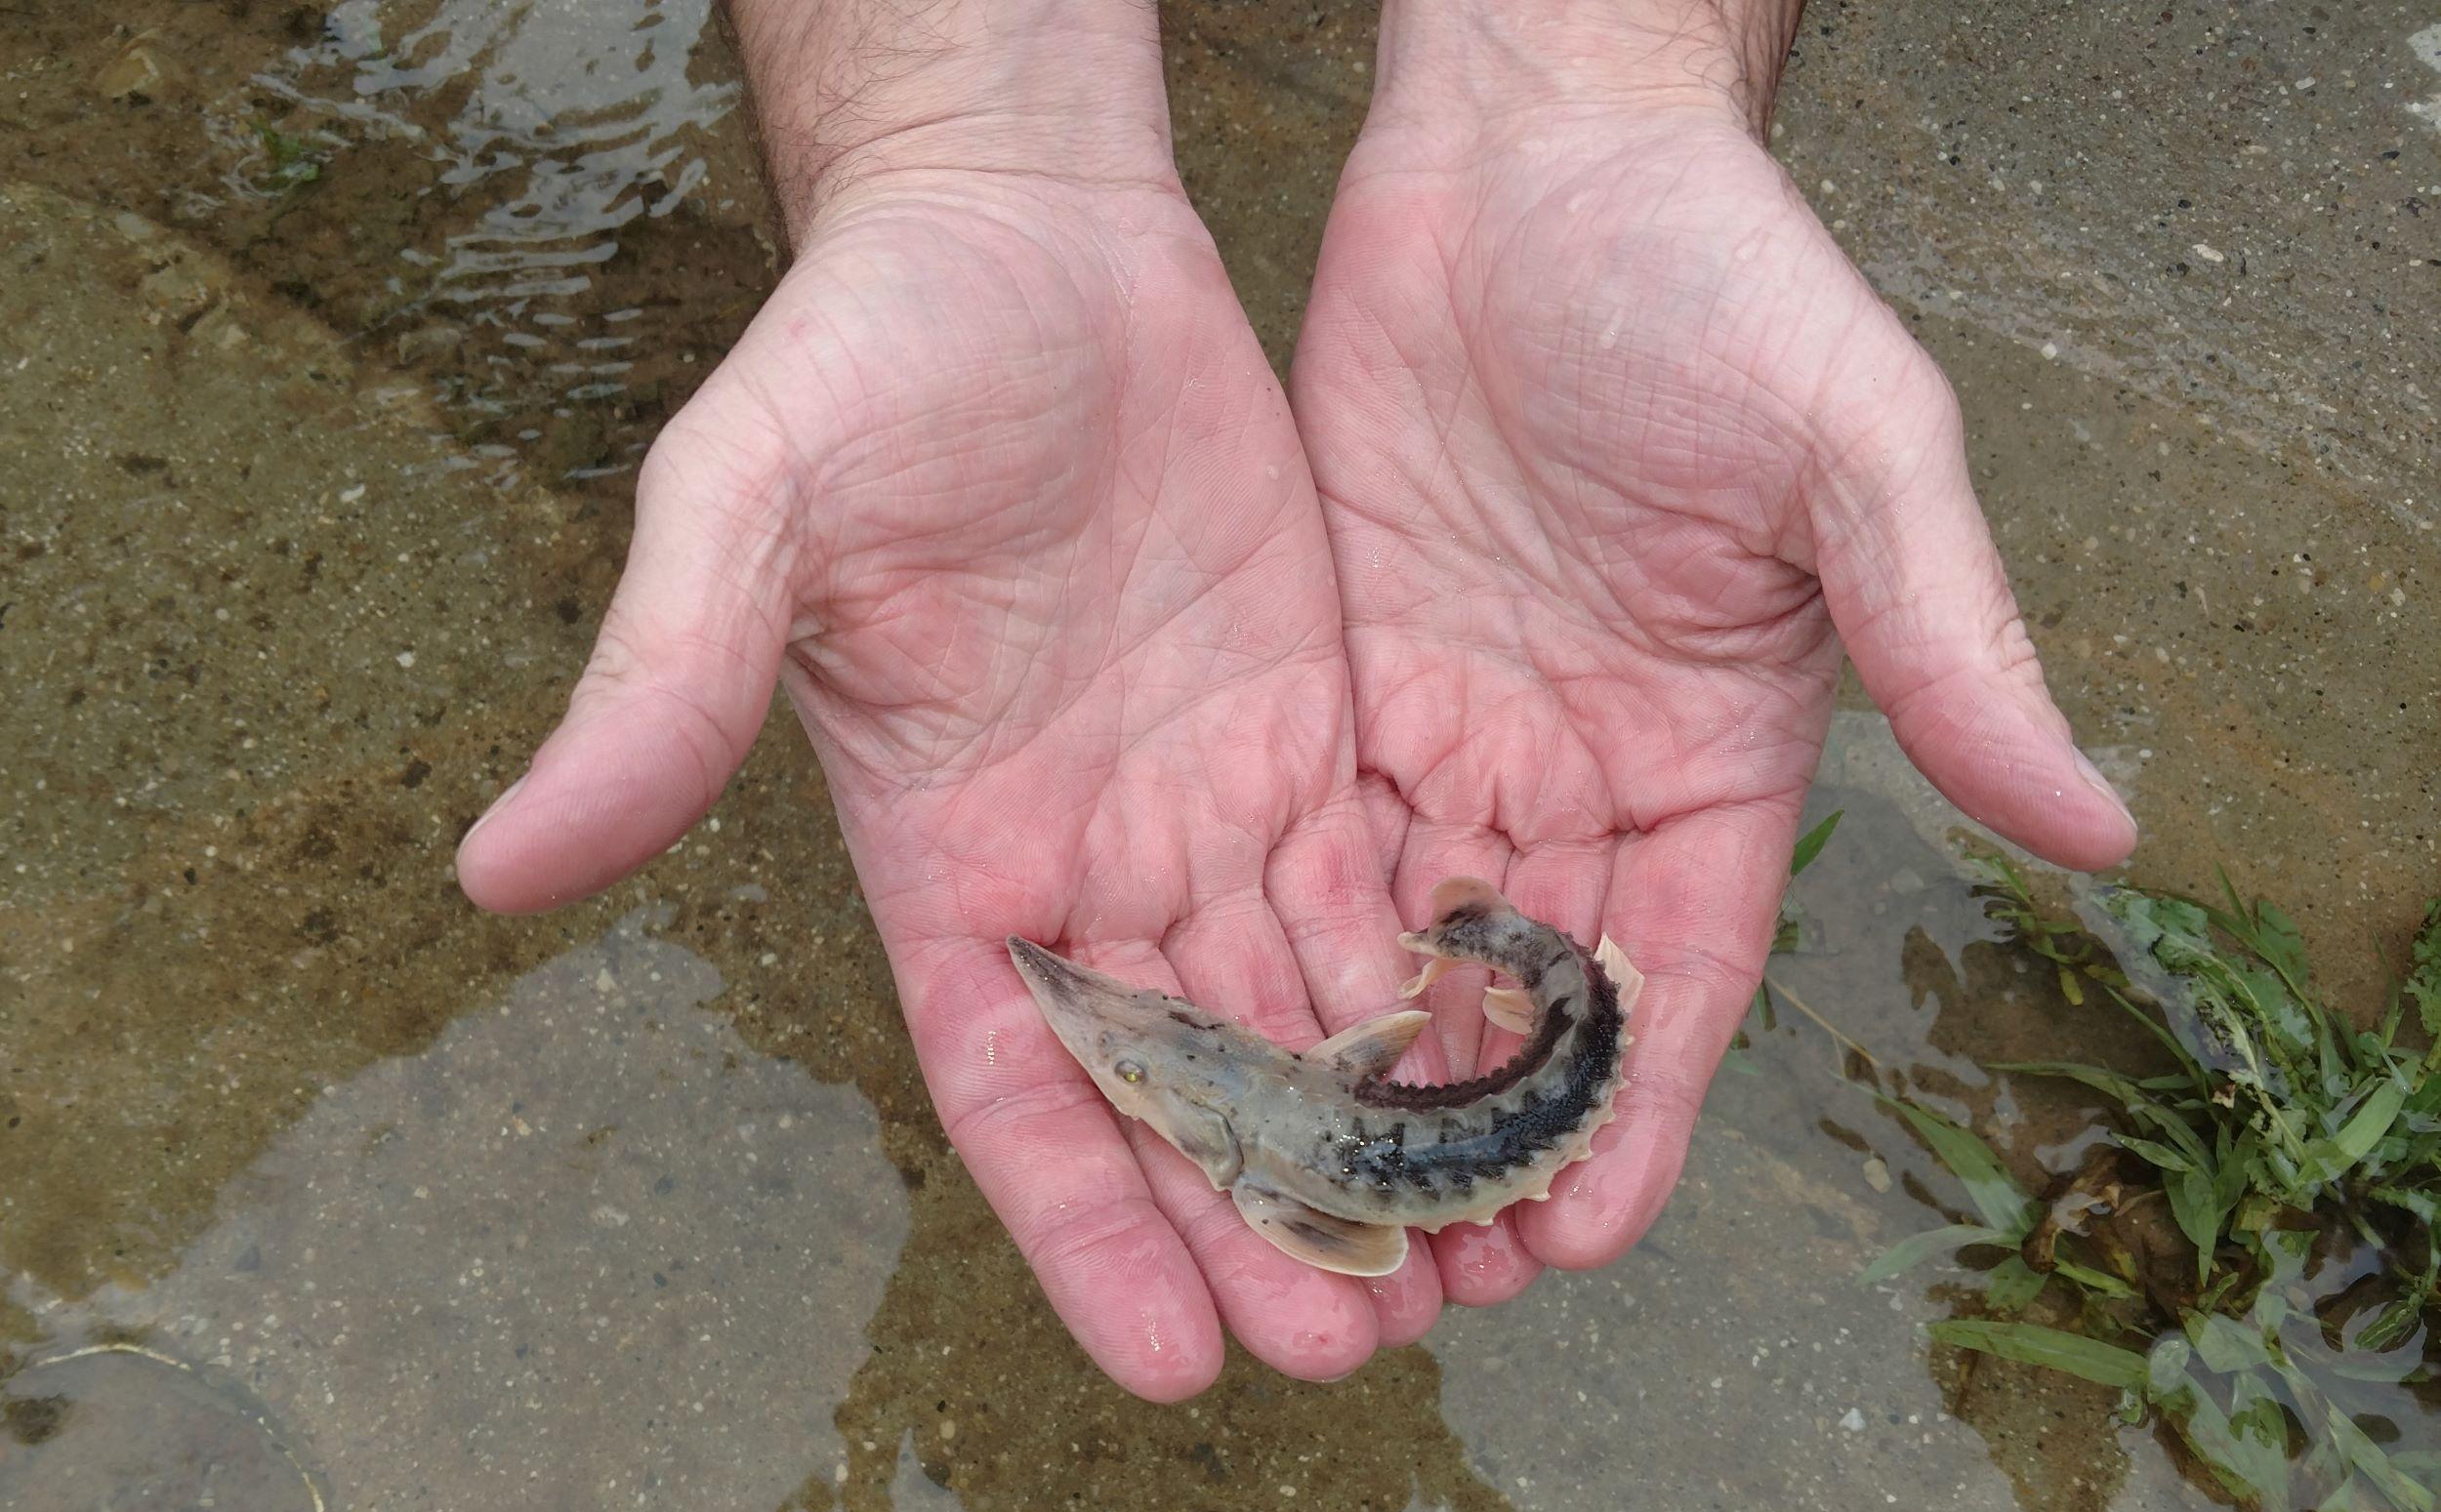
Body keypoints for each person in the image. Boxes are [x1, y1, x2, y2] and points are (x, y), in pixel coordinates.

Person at [455, 0, 2135, 1401]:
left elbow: (1341, 1220)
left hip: (1472, 1071)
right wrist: (962, 155)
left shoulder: (1278, 1159)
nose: (1152, 1050)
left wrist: (1582, 96)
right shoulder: (1290, 1114)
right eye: (1164, 1060)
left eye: (1165, 1061)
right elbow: (1348, 1196)